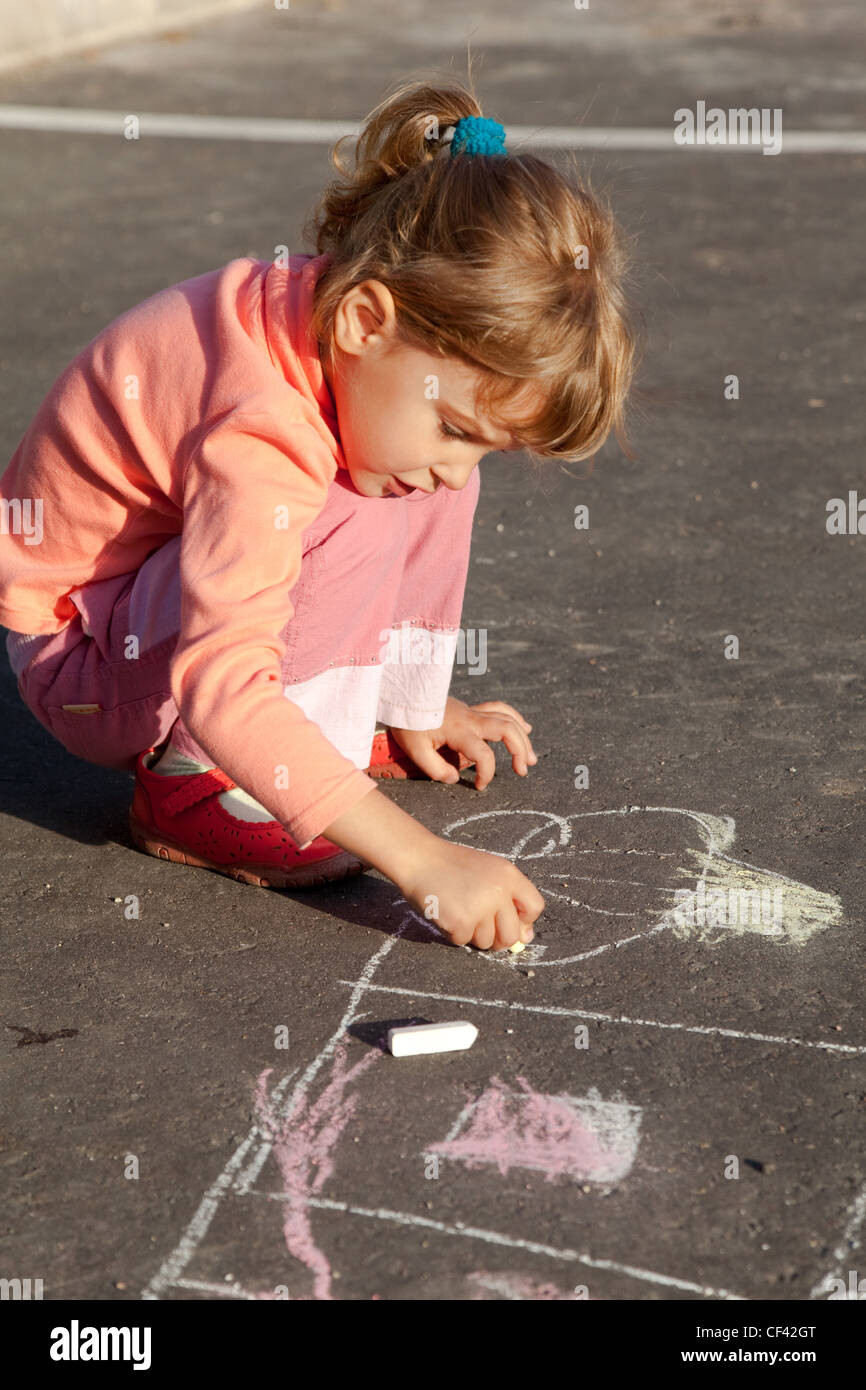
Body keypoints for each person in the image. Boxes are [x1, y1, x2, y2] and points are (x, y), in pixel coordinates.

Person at [0, 78, 639, 953]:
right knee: (353, 503)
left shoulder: (339, 330)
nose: (461, 466)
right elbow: (221, 681)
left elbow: (434, 474)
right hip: (91, 666)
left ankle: (358, 712)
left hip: (150, 600)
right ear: (368, 322)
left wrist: (415, 707)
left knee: (413, 478)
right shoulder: (265, 431)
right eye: (458, 425)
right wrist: (424, 862)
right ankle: (193, 786)